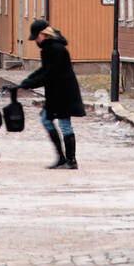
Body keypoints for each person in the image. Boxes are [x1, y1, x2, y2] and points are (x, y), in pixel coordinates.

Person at [18, 18, 85, 169]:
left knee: (64, 124)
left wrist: (30, 83)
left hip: (63, 92)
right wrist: (28, 80)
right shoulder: (50, 48)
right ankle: (62, 158)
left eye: (37, 37)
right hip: (58, 92)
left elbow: (50, 73)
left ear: (43, 34)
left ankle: (70, 160)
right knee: (46, 119)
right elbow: (44, 69)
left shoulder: (55, 49)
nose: (36, 40)